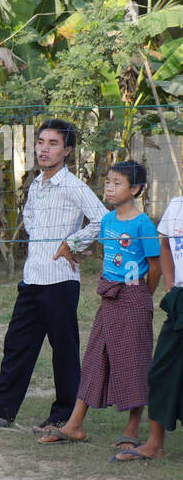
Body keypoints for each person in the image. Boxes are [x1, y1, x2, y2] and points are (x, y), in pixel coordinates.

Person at [0, 119, 106, 428]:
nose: (44, 148)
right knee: (17, 345)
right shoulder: (36, 184)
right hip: (32, 278)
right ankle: (0, 410)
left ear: (67, 150)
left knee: (64, 352)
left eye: (53, 143)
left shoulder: (73, 186)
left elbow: (102, 220)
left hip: (60, 280)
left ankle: (64, 417)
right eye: (40, 142)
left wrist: (73, 242)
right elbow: (28, 218)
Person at [39, 161, 160, 445]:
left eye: (117, 183)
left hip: (134, 298)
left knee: (134, 363)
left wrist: (142, 297)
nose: (109, 188)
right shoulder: (106, 221)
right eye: (108, 182)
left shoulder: (143, 224)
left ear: (136, 189)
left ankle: (131, 430)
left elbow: (154, 269)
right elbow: (109, 256)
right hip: (109, 298)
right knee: (95, 359)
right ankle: (74, 426)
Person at [115, 191, 183, 462]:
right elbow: (165, 245)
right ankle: (155, 443)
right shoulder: (178, 204)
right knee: (162, 370)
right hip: (179, 299)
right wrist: (169, 285)